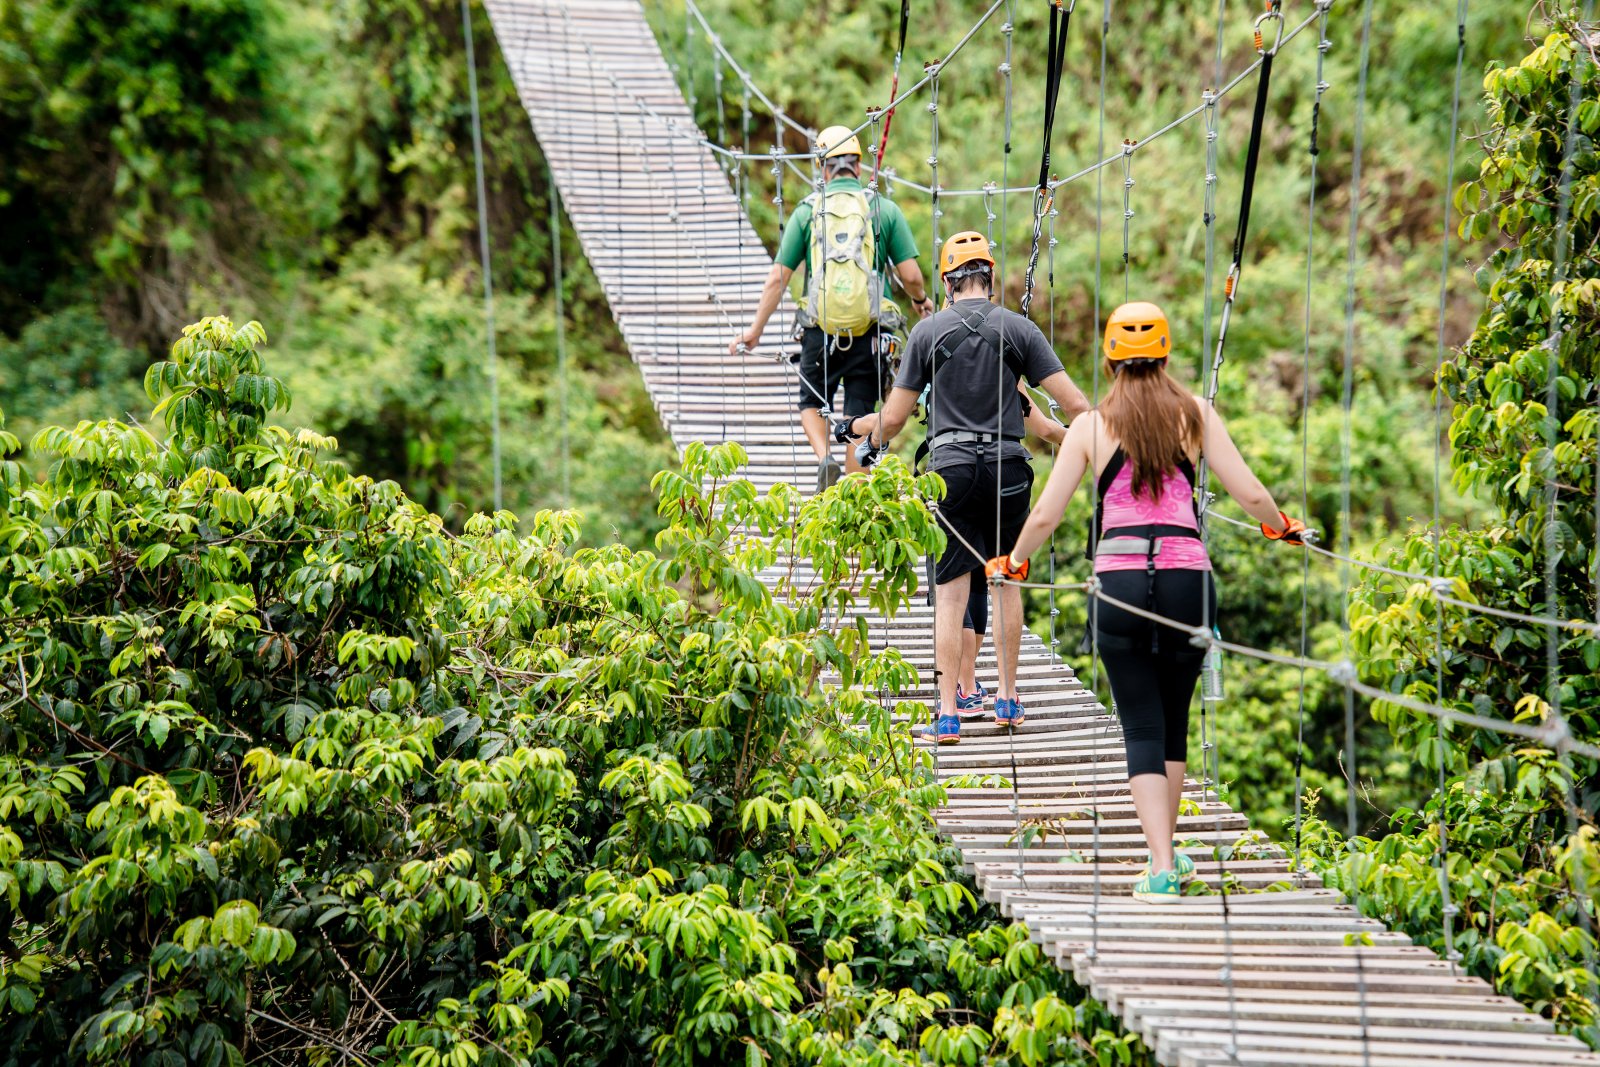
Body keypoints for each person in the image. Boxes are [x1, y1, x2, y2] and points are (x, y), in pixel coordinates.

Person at [990, 300, 1307, 902]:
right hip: (1190, 580)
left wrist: (1016, 562)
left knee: (1140, 723)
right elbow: (1253, 495)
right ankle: (1170, 856)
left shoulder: (1089, 427)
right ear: (1163, 355)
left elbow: (1047, 514)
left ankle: (1160, 862)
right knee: (1175, 721)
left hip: (1121, 584)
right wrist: (1280, 526)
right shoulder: (1197, 415)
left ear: (1110, 359)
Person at [838, 231, 1090, 744]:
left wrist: (853, 428)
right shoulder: (1020, 331)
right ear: (990, 280)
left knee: (950, 597)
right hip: (1007, 470)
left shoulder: (927, 333)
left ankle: (949, 712)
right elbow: (1080, 407)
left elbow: (893, 422)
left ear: (949, 284)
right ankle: (1007, 698)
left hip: (948, 471)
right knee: (1004, 581)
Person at [729, 125, 933, 492]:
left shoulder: (808, 211)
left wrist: (755, 331)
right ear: (859, 167)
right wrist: (920, 302)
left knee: (810, 401)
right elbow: (912, 275)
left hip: (819, 333)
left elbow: (778, 279)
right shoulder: (882, 209)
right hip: (869, 334)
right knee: (858, 415)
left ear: (823, 169)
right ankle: (854, 500)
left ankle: (824, 456)